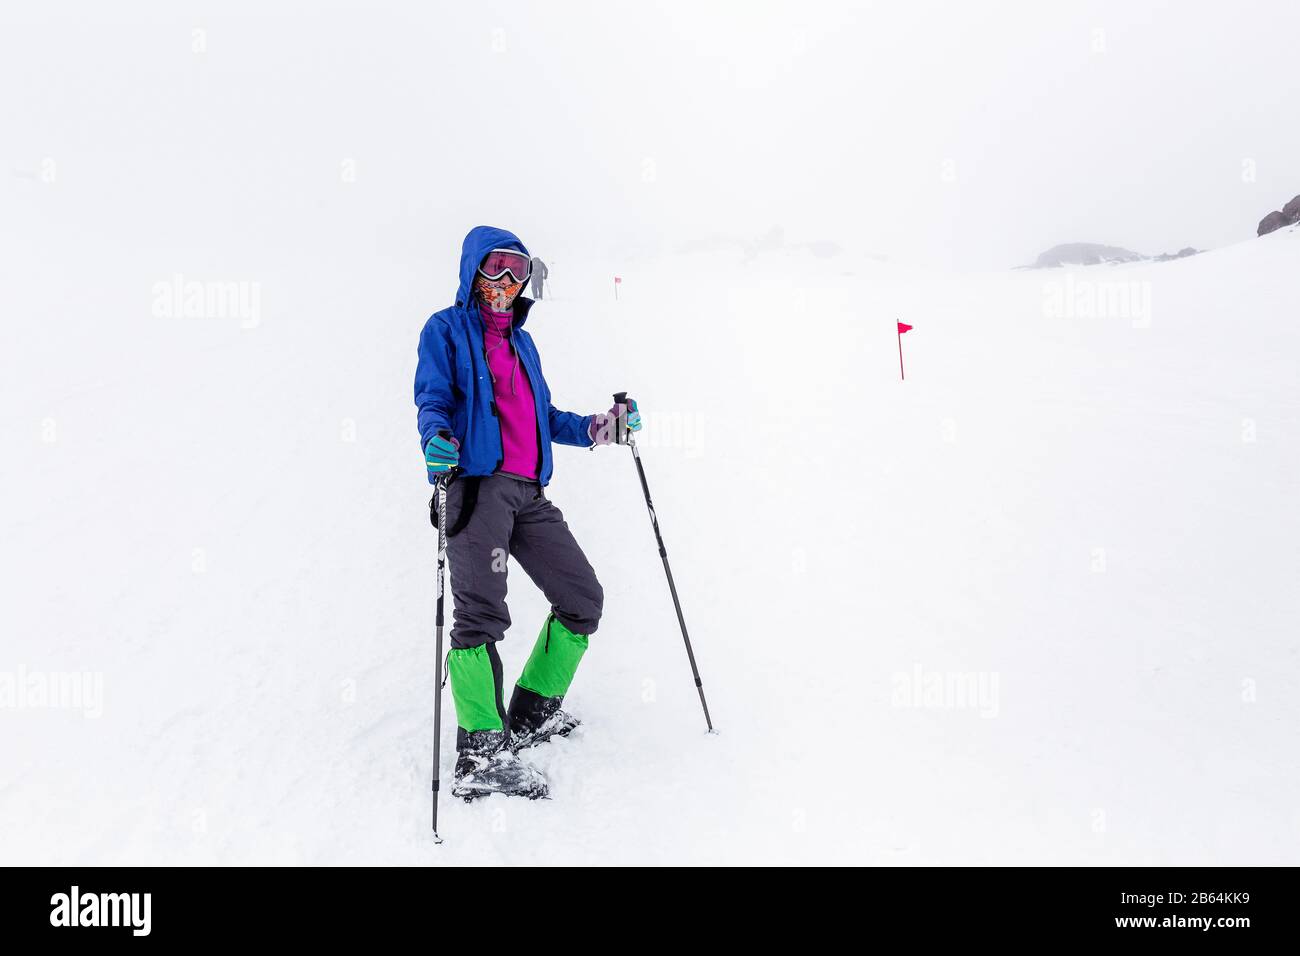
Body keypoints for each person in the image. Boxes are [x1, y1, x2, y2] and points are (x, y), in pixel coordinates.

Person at [414, 225, 641, 800]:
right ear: (473, 272)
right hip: (476, 489)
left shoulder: (523, 343)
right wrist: (435, 437)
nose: (507, 281)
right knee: (480, 616)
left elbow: (544, 417)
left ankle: (534, 711)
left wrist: (598, 428)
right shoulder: (446, 329)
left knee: (582, 596)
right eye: (496, 268)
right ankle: (481, 753)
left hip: (528, 496)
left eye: (519, 269)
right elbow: (433, 397)